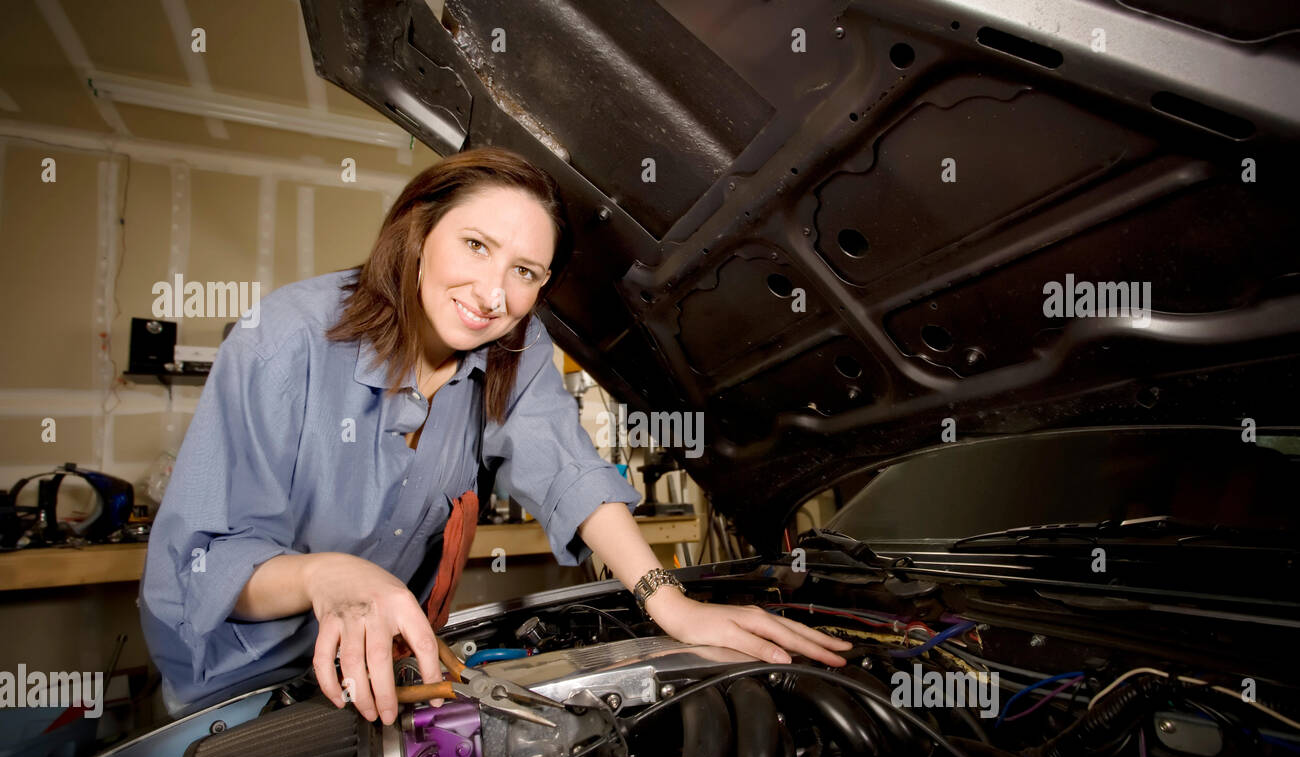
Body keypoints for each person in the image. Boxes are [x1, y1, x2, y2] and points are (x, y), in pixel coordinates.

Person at [140, 147, 850, 725]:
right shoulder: (286, 340)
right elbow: (206, 561)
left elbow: (568, 469)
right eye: (475, 246)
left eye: (525, 273)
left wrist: (669, 600)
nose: (492, 296)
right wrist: (331, 573)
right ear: (419, 231)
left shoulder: (517, 346)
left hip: (372, 668)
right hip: (232, 677)